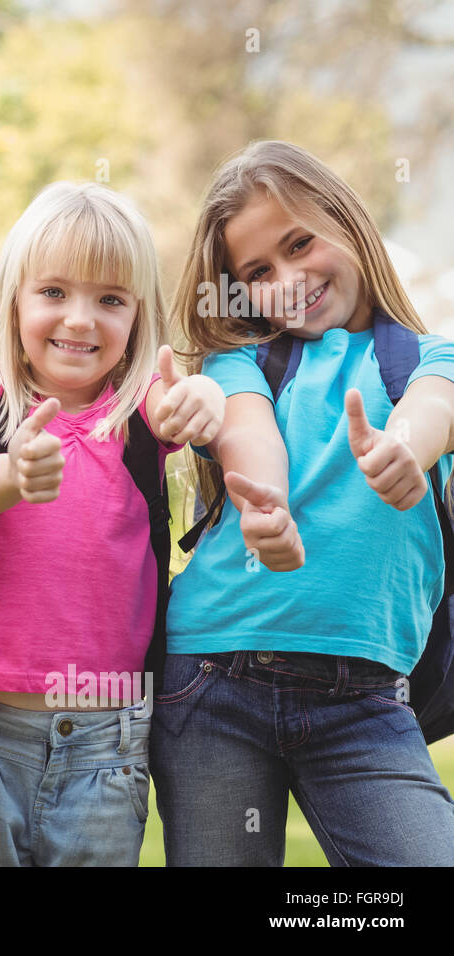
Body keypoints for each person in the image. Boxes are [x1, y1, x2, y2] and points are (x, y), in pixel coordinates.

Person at [0, 181, 224, 865]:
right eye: (53, 293)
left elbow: (186, 406)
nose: (80, 319)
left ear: (139, 317)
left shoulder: (140, 411)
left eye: (110, 300)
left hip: (109, 742)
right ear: (14, 300)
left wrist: (203, 396)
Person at [156, 139, 454, 865]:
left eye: (299, 244)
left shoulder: (428, 358)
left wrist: (401, 453)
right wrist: (267, 511)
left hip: (366, 699)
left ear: (348, 224)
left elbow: (431, 410)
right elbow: (249, 438)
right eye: (258, 272)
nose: (288, 279)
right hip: (213, 677)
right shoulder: (240, 365)